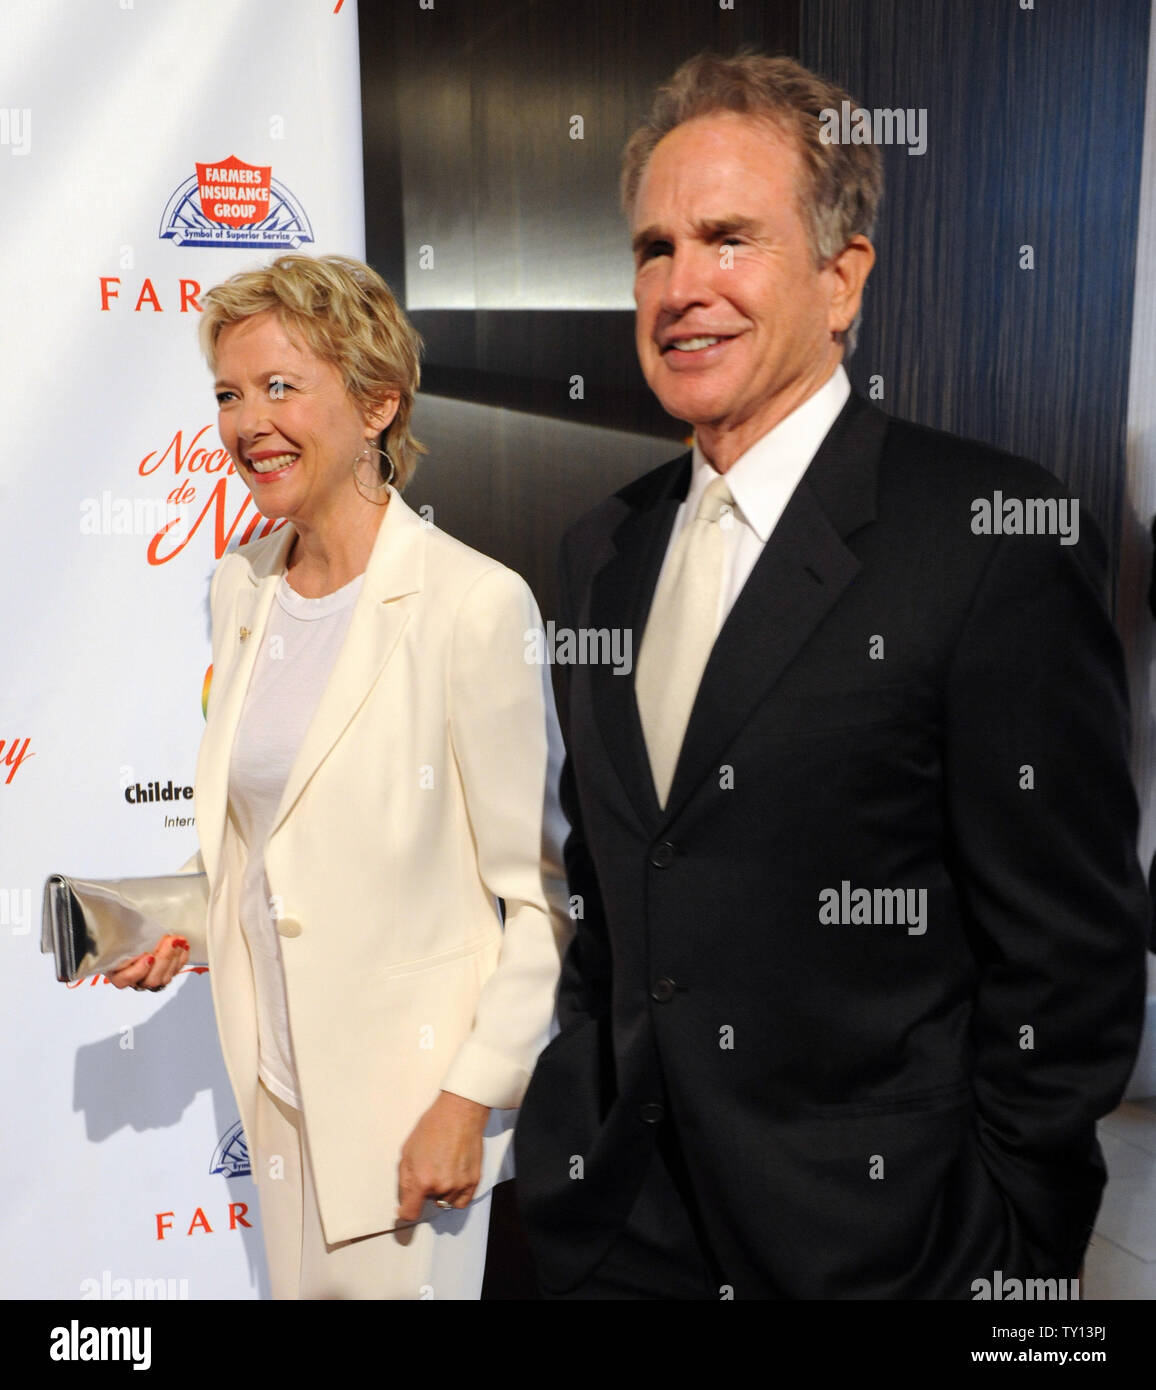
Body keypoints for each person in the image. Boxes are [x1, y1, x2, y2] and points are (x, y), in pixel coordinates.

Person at [514, 51, 1150, 1299]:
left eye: (728, 238)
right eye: (654, 249)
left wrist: (1011, 1244)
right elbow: (614, 880)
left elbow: (1070, 952)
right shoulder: (601, 550)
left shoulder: (989, 536)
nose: (681, 286)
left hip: (883, 1249)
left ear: (841, 276)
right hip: (625, 1234)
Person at [109, 252, 570, 1300]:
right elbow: (272, 842)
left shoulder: (473, 605)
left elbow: (545, 902)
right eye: (229, 394)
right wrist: (171, 923)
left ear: (377, 404)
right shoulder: (240, 585)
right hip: (275, 1090)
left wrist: (469, 1096)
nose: (248, 423)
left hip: (410, 1116)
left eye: (280, 386)